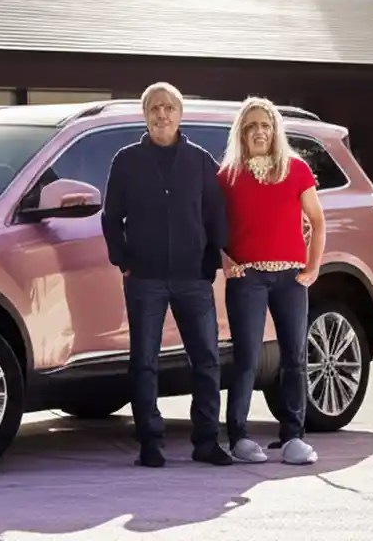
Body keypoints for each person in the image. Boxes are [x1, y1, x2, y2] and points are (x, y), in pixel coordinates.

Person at [101, 82, 233, 468]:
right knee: (144, 360)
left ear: (180, 114)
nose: (162, 114)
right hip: (145, 279)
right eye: (155, 108)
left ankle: (207, 441)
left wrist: (212, 260)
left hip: (194, 277)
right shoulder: (126, 161)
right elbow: (111, 218)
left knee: (206, 360)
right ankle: (150, 442)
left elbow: (215, 215)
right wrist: (122, 260)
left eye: (169, 108)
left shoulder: (200, 161)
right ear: (145, 115)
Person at [217, 96, 324, 466]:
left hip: (291, 277)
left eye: (265, 125)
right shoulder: (227, 176)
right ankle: (239, 437)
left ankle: (294, 436)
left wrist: (312, 268)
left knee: (294, 356)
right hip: (247, 278)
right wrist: (225, 259)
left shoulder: (296, 170)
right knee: (246, 357)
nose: (259, 132)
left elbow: (318, 220)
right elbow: (212, 227)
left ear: (275, 130)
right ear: (241, 134)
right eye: (251, 127)